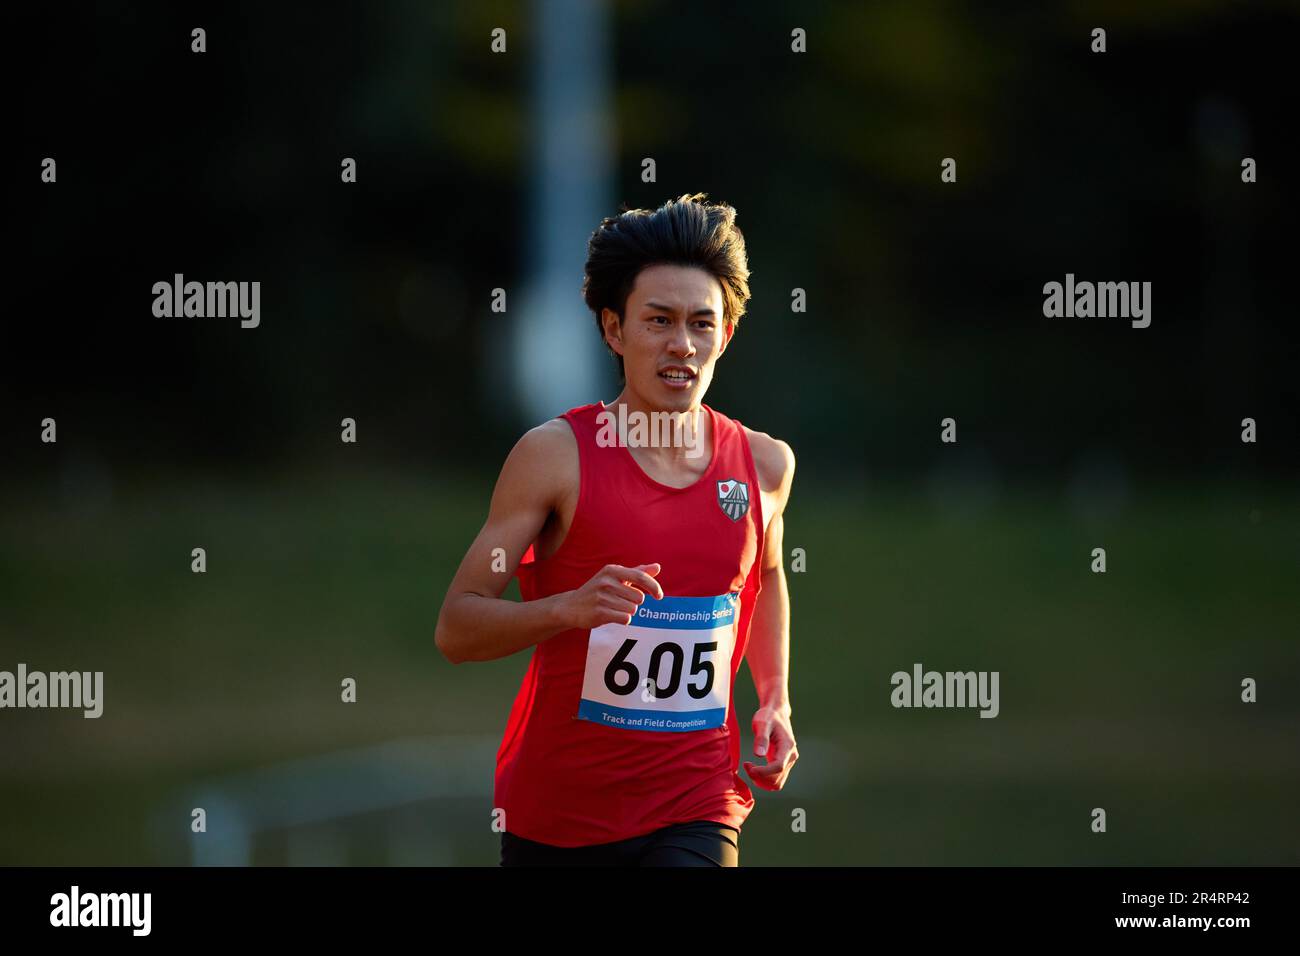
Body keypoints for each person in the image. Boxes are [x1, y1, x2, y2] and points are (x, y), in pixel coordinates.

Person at [435, 193, 797, 866]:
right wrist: (567, 609)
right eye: (658, 320)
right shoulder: (554, 457)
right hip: (559, 812)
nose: (680, 344)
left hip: (697, 799)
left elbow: (768, 575)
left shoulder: (765, 465)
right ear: (613, 330)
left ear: (725, 336)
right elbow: (458, 627)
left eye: (700, 323)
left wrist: (775, 700)